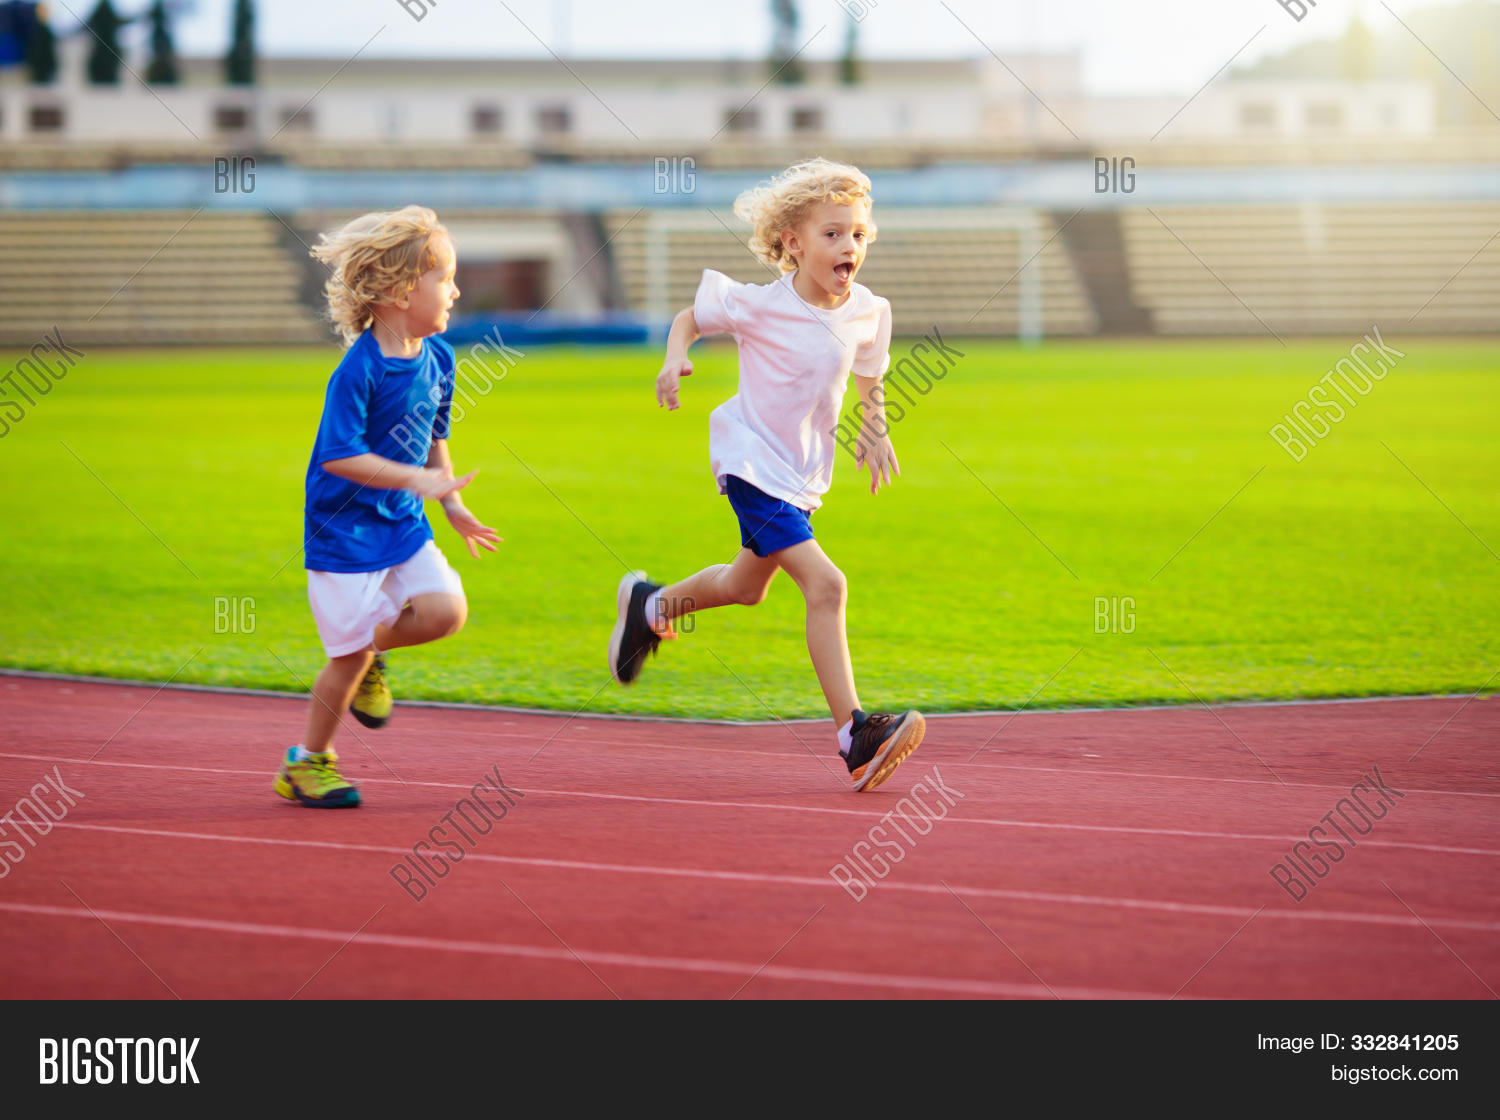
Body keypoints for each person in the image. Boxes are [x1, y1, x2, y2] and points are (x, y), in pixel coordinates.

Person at [609, 159, 924, 792]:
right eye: (833, 234)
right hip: (752, 462)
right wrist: (676, 359)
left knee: (747, 585)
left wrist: (876, 421)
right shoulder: (760, 305)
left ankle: (652, 605)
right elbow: (689, 319)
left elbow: (870, 365)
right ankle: (854, 735)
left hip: (800, 473)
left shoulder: (867, 310)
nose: (849, 247)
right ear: (793, 243)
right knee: (827, 585)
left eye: (858, 234)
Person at [275, 205, 500, 808]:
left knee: (446, 612)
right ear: (402, 292)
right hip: (343, 533)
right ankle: (308, 763)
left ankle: (372, 648)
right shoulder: (359, 371)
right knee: (344, 661)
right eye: (445, 278)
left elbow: (434, 438)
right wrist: (412, 480)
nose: (455, 290)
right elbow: (338, 457)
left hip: (402, 522)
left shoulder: (441, 358)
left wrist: (450, 502)